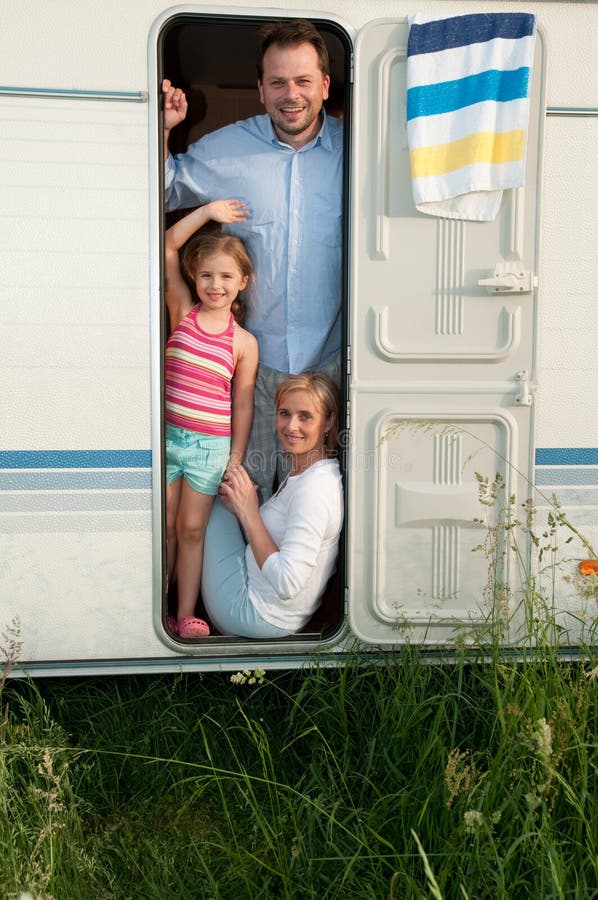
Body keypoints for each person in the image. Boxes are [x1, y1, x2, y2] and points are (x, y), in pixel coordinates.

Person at [162, 19, 343, 501]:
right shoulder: (227, 149)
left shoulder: (357, 151)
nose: (292, 94)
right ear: (261, 90)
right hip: (253, 371)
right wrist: (162, 131)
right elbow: (160, 190)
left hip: (332, 367)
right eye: (278, 82)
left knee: (324, 501)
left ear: (325, 85)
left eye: (304, 80)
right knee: (247, 492)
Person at [164, 199, 259, 638]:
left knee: (191, 528)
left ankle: (185, 615)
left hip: (209, 447)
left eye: (225, 276)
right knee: (163, 525)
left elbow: (241, 402)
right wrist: (208, 212)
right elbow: (169, 245)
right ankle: (155, 609)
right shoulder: (182, 312)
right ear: (193, 278)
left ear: (243, 281)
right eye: (206, 274)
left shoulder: (244, 342)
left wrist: (235, 456)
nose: (214, 285)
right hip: (167, 440)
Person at [200, 372, 343, 638]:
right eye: (284, 413)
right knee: (223, 500)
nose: (291, 426)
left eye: (305, 416)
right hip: (266, 606)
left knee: (205, 500)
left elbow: (288, 583)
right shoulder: (307, 471)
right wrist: (241, 508)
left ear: (328, 422)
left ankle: (180, 610)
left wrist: (249, 512)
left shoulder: (314, 490)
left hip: (255, 613)